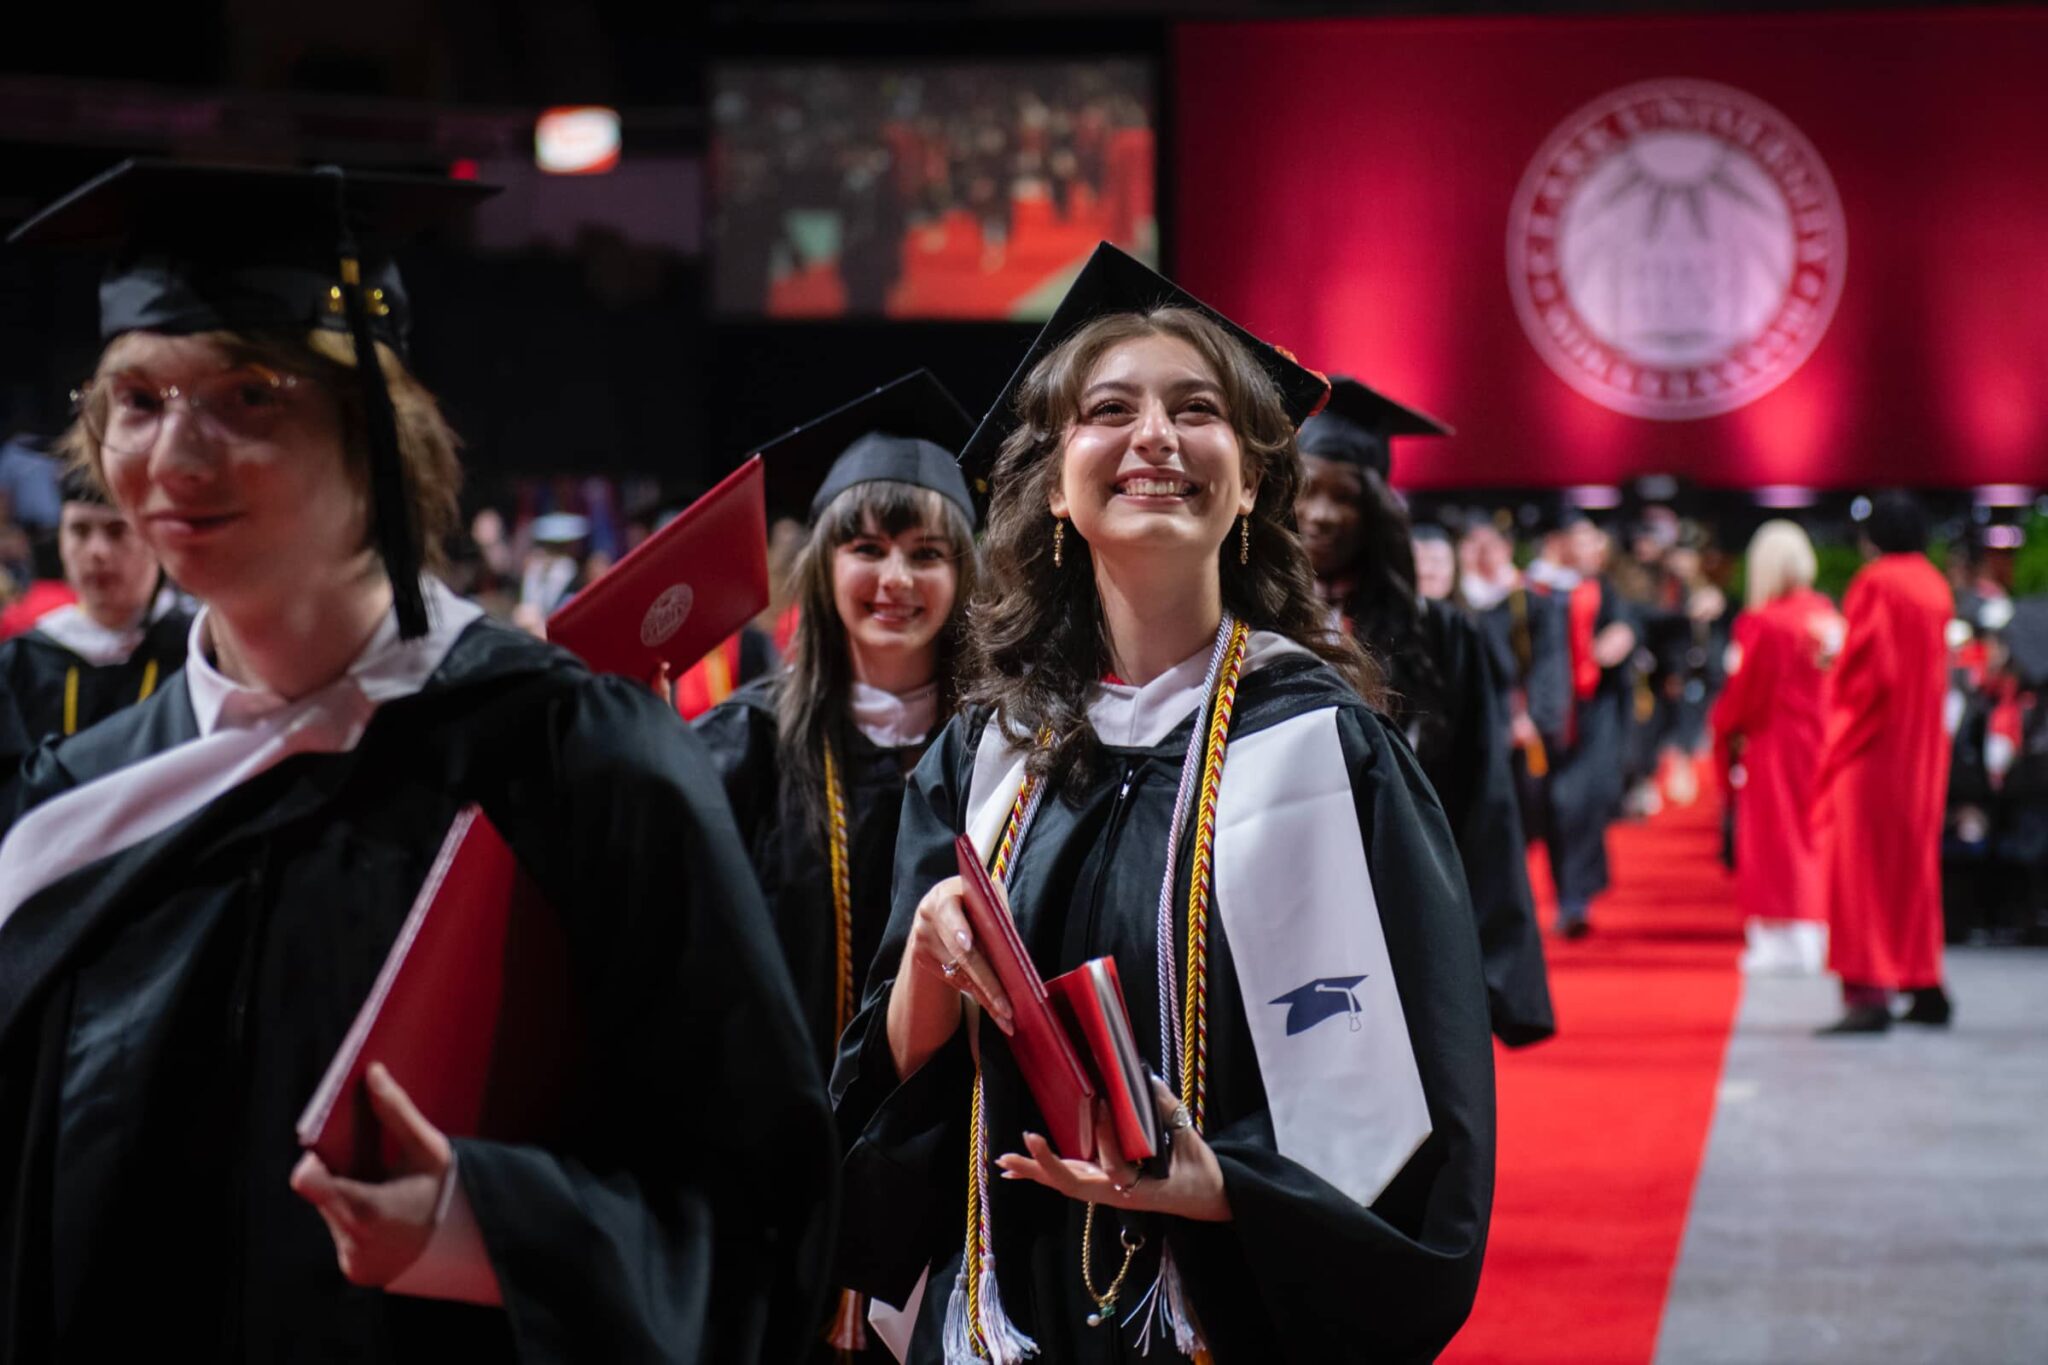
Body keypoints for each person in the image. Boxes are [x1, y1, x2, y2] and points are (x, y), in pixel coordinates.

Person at [0, 160, 836, 1362]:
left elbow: (763, 1217)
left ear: (375, 435)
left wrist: (484, 1229)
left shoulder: (573, 764)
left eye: (249, 394)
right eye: (137, 400)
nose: (175, 457)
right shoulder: (78, 804)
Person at [831, 245, 1493, 1363]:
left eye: (1196, 411)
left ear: (1244, 484)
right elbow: (889, 1091)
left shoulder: (1324, 754)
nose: (1154, 437)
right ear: (1053, 483)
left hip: (1228, 1317)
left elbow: (1422, 1120)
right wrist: (935, 955)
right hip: (1013, 1309)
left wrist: (1226, 1187)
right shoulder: (986, 760)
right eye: (1107, 409)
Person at [696, 370, 979, 1359]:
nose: (893, 579)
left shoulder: (1011, 756)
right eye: (865, 548)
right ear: (821, 568)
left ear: (964, 573)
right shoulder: (737, 750)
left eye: (925, 553)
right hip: (774, 1182)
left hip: (961, 1188)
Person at [1296, 378, 1552, 1047]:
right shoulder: (1251, 625)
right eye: (1305, 489)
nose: (1320, 513)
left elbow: (1482, 800)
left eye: (1343, 497)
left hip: (1398, 909)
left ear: (1377, 511)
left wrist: (1493, 963)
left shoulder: (1439, 637)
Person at [1815, 491, 1956, 1034]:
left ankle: (1868, 991)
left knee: (1860, 870)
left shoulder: (1877, 582)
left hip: (1875, 750)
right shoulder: (1933, 583)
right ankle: (1922, 983)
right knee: (1912, 870)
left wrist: (1834, 665)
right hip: (1921, 751)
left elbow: (1871, 673)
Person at [1710, 521, 1842, 976]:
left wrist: (1723, 725)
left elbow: (1745, 694)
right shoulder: (1826, 616)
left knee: (1771, 840)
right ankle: (1814, 931)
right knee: (1812, 835)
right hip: (1822, 743)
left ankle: (1777, 938)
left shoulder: (1763, 623)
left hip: (1774, 745)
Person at [0, 465, 190, 763]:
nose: (97, 552)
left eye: (117, 531)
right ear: (60, 542)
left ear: (156, 541)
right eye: (79, 530)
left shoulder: (198, 650)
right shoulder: (22, 662)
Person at [1532, 506, 1638, 937]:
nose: (1594, 549)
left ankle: (1575, 897)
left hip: (1595, 716)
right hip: (1548, 718)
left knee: (1584, 801)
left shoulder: (1602, 589)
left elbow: (1631, 622)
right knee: (1558, 806)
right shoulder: (1533, 592)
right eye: (1583, 540)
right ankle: (1567, 894)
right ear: (1559, 544)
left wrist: (1626, 634)